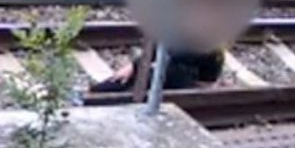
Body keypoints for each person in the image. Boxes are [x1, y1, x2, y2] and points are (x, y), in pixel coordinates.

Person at [90, 46, 224, 93]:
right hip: (185, 71)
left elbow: (181, 54)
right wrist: (134, 66)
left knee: (150, 76)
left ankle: (96, 95)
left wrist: (137, 66)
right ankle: (96, 92)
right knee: (132, 77)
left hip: (193, 78)